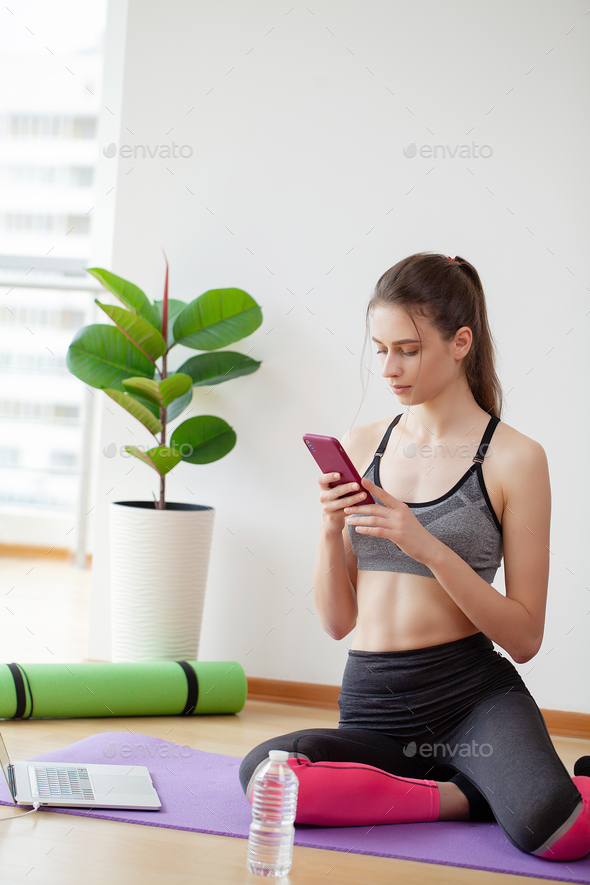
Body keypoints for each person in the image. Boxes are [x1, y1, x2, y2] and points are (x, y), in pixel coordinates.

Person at [238, 252, 590, 861]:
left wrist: (422, 543)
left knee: (558, 834)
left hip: (472, 697)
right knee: (266, 775)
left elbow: (526, 636)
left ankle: (514, 783)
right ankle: (463, 797)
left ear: (460, 343)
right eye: (379, 349)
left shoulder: (514, 459)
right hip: (373, 698)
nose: (388, 368)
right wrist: (328, 530)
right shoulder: (361, 445)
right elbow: (337, 622)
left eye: (407, 349)